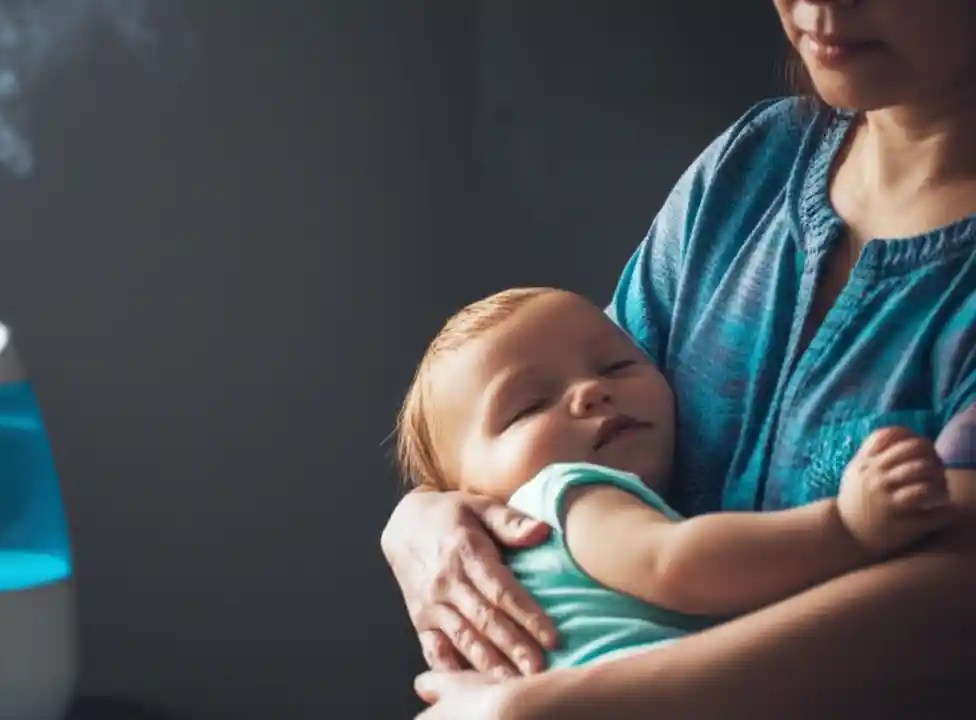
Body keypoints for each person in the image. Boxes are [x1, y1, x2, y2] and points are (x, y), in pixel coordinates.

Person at [382, 1, 976, 717]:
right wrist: (428, 510)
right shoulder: (751, 165)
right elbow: (556, 398)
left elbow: (953, 598)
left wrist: (561, 708)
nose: (820, 6)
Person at [395, 286, 952, 669]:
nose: (591, 391)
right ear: (463, 495)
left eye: (615, 365)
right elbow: (678, 563)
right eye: (527, 406)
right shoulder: (564, 497)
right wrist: (847, 527)